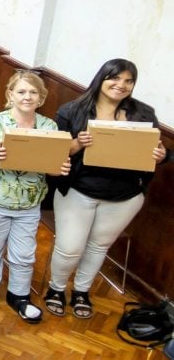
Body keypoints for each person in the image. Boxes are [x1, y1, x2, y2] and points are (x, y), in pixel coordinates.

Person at [44, 59, 168, 319]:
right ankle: (55, 289)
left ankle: (82, 291)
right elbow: (53, 153)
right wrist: (77, 144)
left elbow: (157, 151)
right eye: (115, 78)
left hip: (124, 196)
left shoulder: (143, 114)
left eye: (128, 81)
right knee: (69, 247)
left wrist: (161, 154)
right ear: (101, 78)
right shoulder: (72, 111)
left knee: (99, 246)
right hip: (78, 190)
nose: (121, 85)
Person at [0, 70, 69, 323]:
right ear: (10, 95)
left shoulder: (49, 127)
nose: (27, 97)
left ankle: (19, 296)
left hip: (28, 203)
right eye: (22, 91)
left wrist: (60, 166)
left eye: (33, 92)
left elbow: (51, 163)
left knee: (24, 254)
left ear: (41, 97)